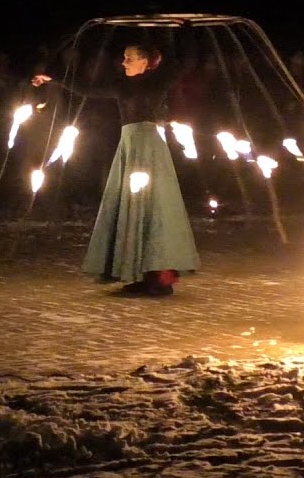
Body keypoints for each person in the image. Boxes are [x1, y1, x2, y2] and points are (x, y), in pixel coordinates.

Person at [32, 36, 199, 296]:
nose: (123, 62)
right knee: (131, 206)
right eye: (124, 58)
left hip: (150, 148)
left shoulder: (158, 80)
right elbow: (86, 88)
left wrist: (184, 30)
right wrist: (53, 78)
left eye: (129, 58)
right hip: (129, 146)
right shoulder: (121, 85)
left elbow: (186, 62)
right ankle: (136, 272)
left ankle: (156, 275)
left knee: (153, 207)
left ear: (144, 61)